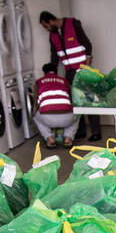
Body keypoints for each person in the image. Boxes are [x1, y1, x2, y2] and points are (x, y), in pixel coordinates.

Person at [40, 11, 101, 141]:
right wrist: (52, 77)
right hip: (69, 73)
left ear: (51, 21)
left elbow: (87, 45)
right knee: (75, 102)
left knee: (90, 100)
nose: (46, 30)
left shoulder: (72, 24)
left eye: (46, 26)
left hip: (83, 70)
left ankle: (96, 132)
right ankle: (81, 131)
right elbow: (54, 57)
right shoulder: (53, 35)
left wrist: (87, 69)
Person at [34, 63, 78, 149]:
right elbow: (73, 98)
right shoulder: (64, 81)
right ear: (56, 72)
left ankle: (50, 139)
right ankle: (68, 138)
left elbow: (36, 101)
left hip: (47, 118)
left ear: (44, 72)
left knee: (35, 117)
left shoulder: (38, 82)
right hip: (67, 117)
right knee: (78, 115)